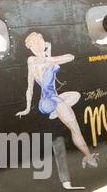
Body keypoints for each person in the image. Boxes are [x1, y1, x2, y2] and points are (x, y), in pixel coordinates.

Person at [16, 32, 99, 168]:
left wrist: (48, 53)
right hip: (48, 100)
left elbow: (30, 88)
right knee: (75, 128)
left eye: (41, 40)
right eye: (36, 42)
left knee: (75, 95)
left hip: (52, 98)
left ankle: (56, 112)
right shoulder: (33, 60)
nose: (40, 43)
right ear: (31, 47)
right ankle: (88, 157)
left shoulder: (42, 58)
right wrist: (26, 108)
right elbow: (69, 58)